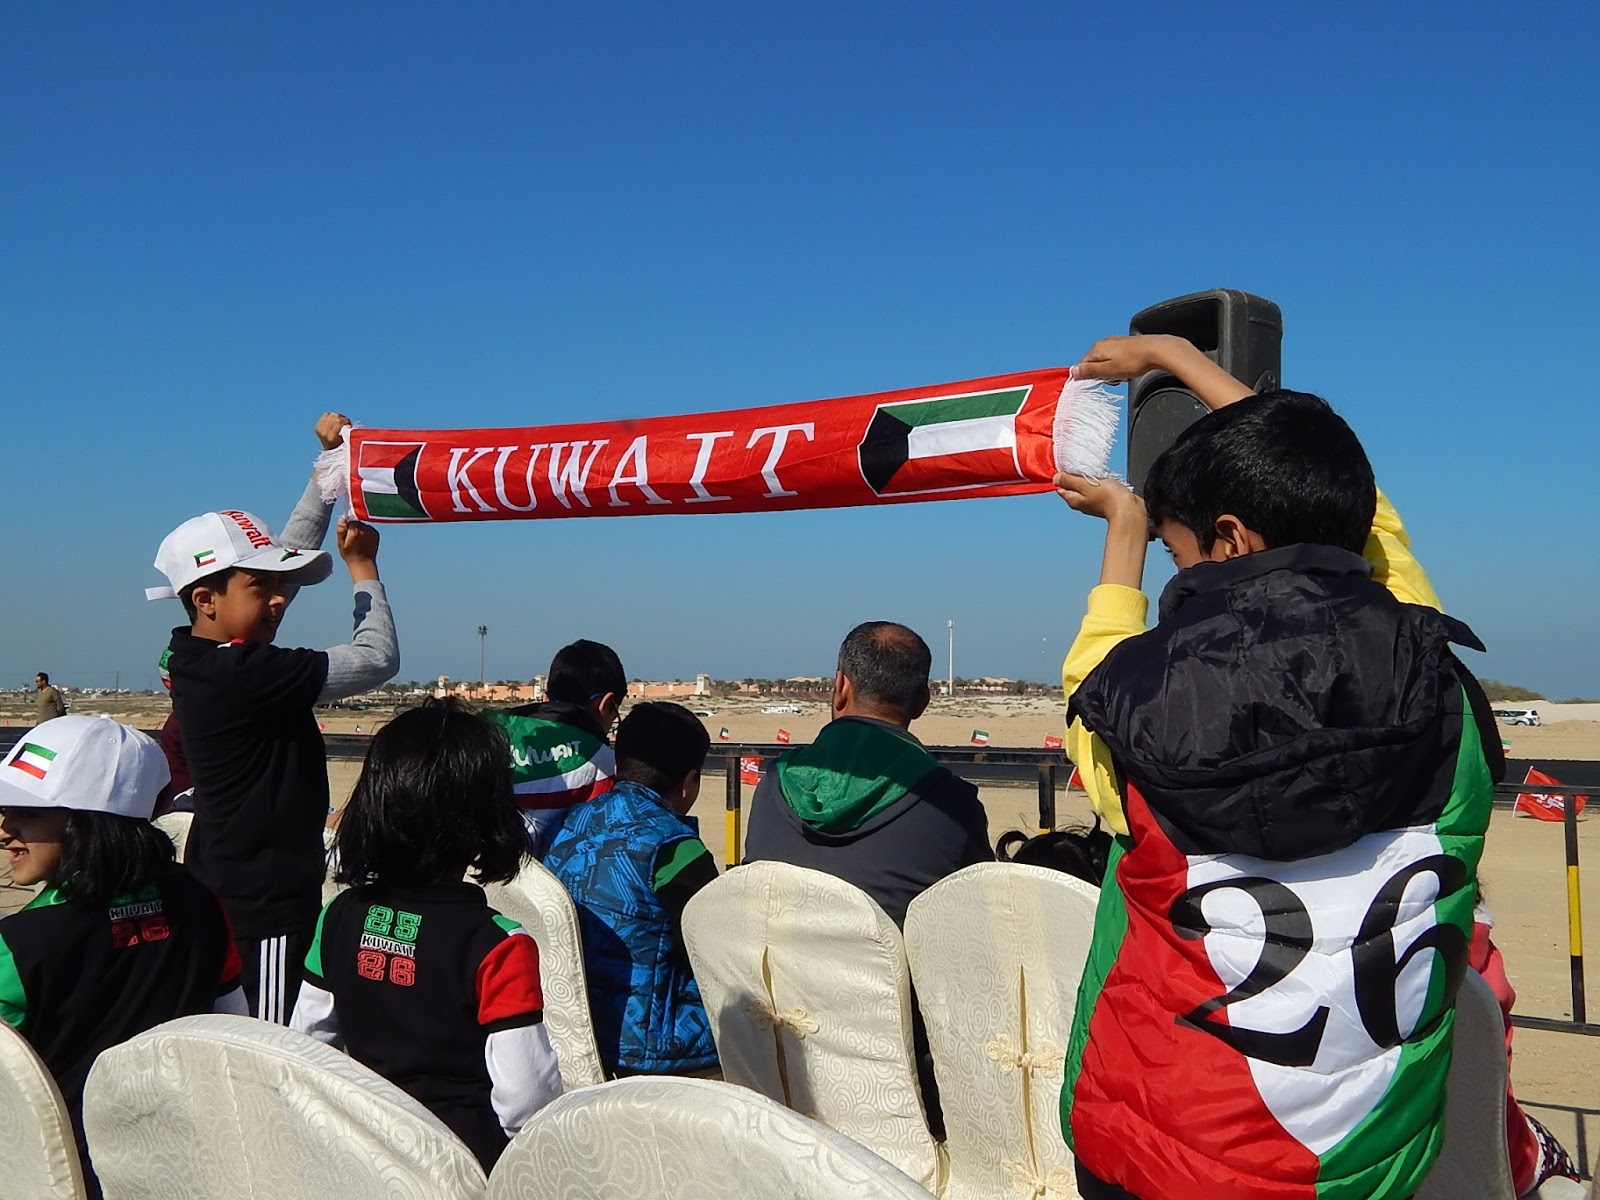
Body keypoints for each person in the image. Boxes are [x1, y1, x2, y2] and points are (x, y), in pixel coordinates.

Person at [1053, 334, 1497, 1200]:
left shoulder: (1130, 713)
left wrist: (1126, 530)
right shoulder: (1443, 685)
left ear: (1227, 539)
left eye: (1179, 555)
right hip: (1372, 1158)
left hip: (1159, 1151)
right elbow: (1360, 511)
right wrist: (1178, 356)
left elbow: (1092, 676)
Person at [150, 413, 399, 1024]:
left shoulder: (201, 658)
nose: (280, 599)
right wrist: (364, 571)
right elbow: (376, 659)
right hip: (263, 905)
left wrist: (328, 473)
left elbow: (286, 552)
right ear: (206, 599)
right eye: (262, 589)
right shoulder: (244, 674)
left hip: (230, 885)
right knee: (270, 1043)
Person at [290, 699, 561, 1172]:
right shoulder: (499, 945)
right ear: (486, 816)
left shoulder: (337, 916)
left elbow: (309, 1042)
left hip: (369, 1150)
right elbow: (525, 1100)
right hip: (463, 1163)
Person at [0, 715, 244, 1199]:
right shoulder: (202, 902)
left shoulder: (20, 941)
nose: (4, 830)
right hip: (176, 1161)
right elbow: (231, 1022)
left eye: (26, 815)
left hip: (57, 1171)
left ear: (87, 821)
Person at [744, 621, 992, 928]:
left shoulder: (772, 784)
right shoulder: (953, 804)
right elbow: (980, 920)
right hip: (889, 975)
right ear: (922, 701)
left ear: (841, 688)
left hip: (771, 974)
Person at [544, 701, 719, 1077]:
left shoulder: (570, 822)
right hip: (653, 1051)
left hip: (572, 1032)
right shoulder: (676, 848)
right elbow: (717, 954)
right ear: (689, 783)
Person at [485, 639, 624, 855]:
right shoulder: (601, 761)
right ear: (606, 704)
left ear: (546, 697)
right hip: (535, 881)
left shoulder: (487, 730)